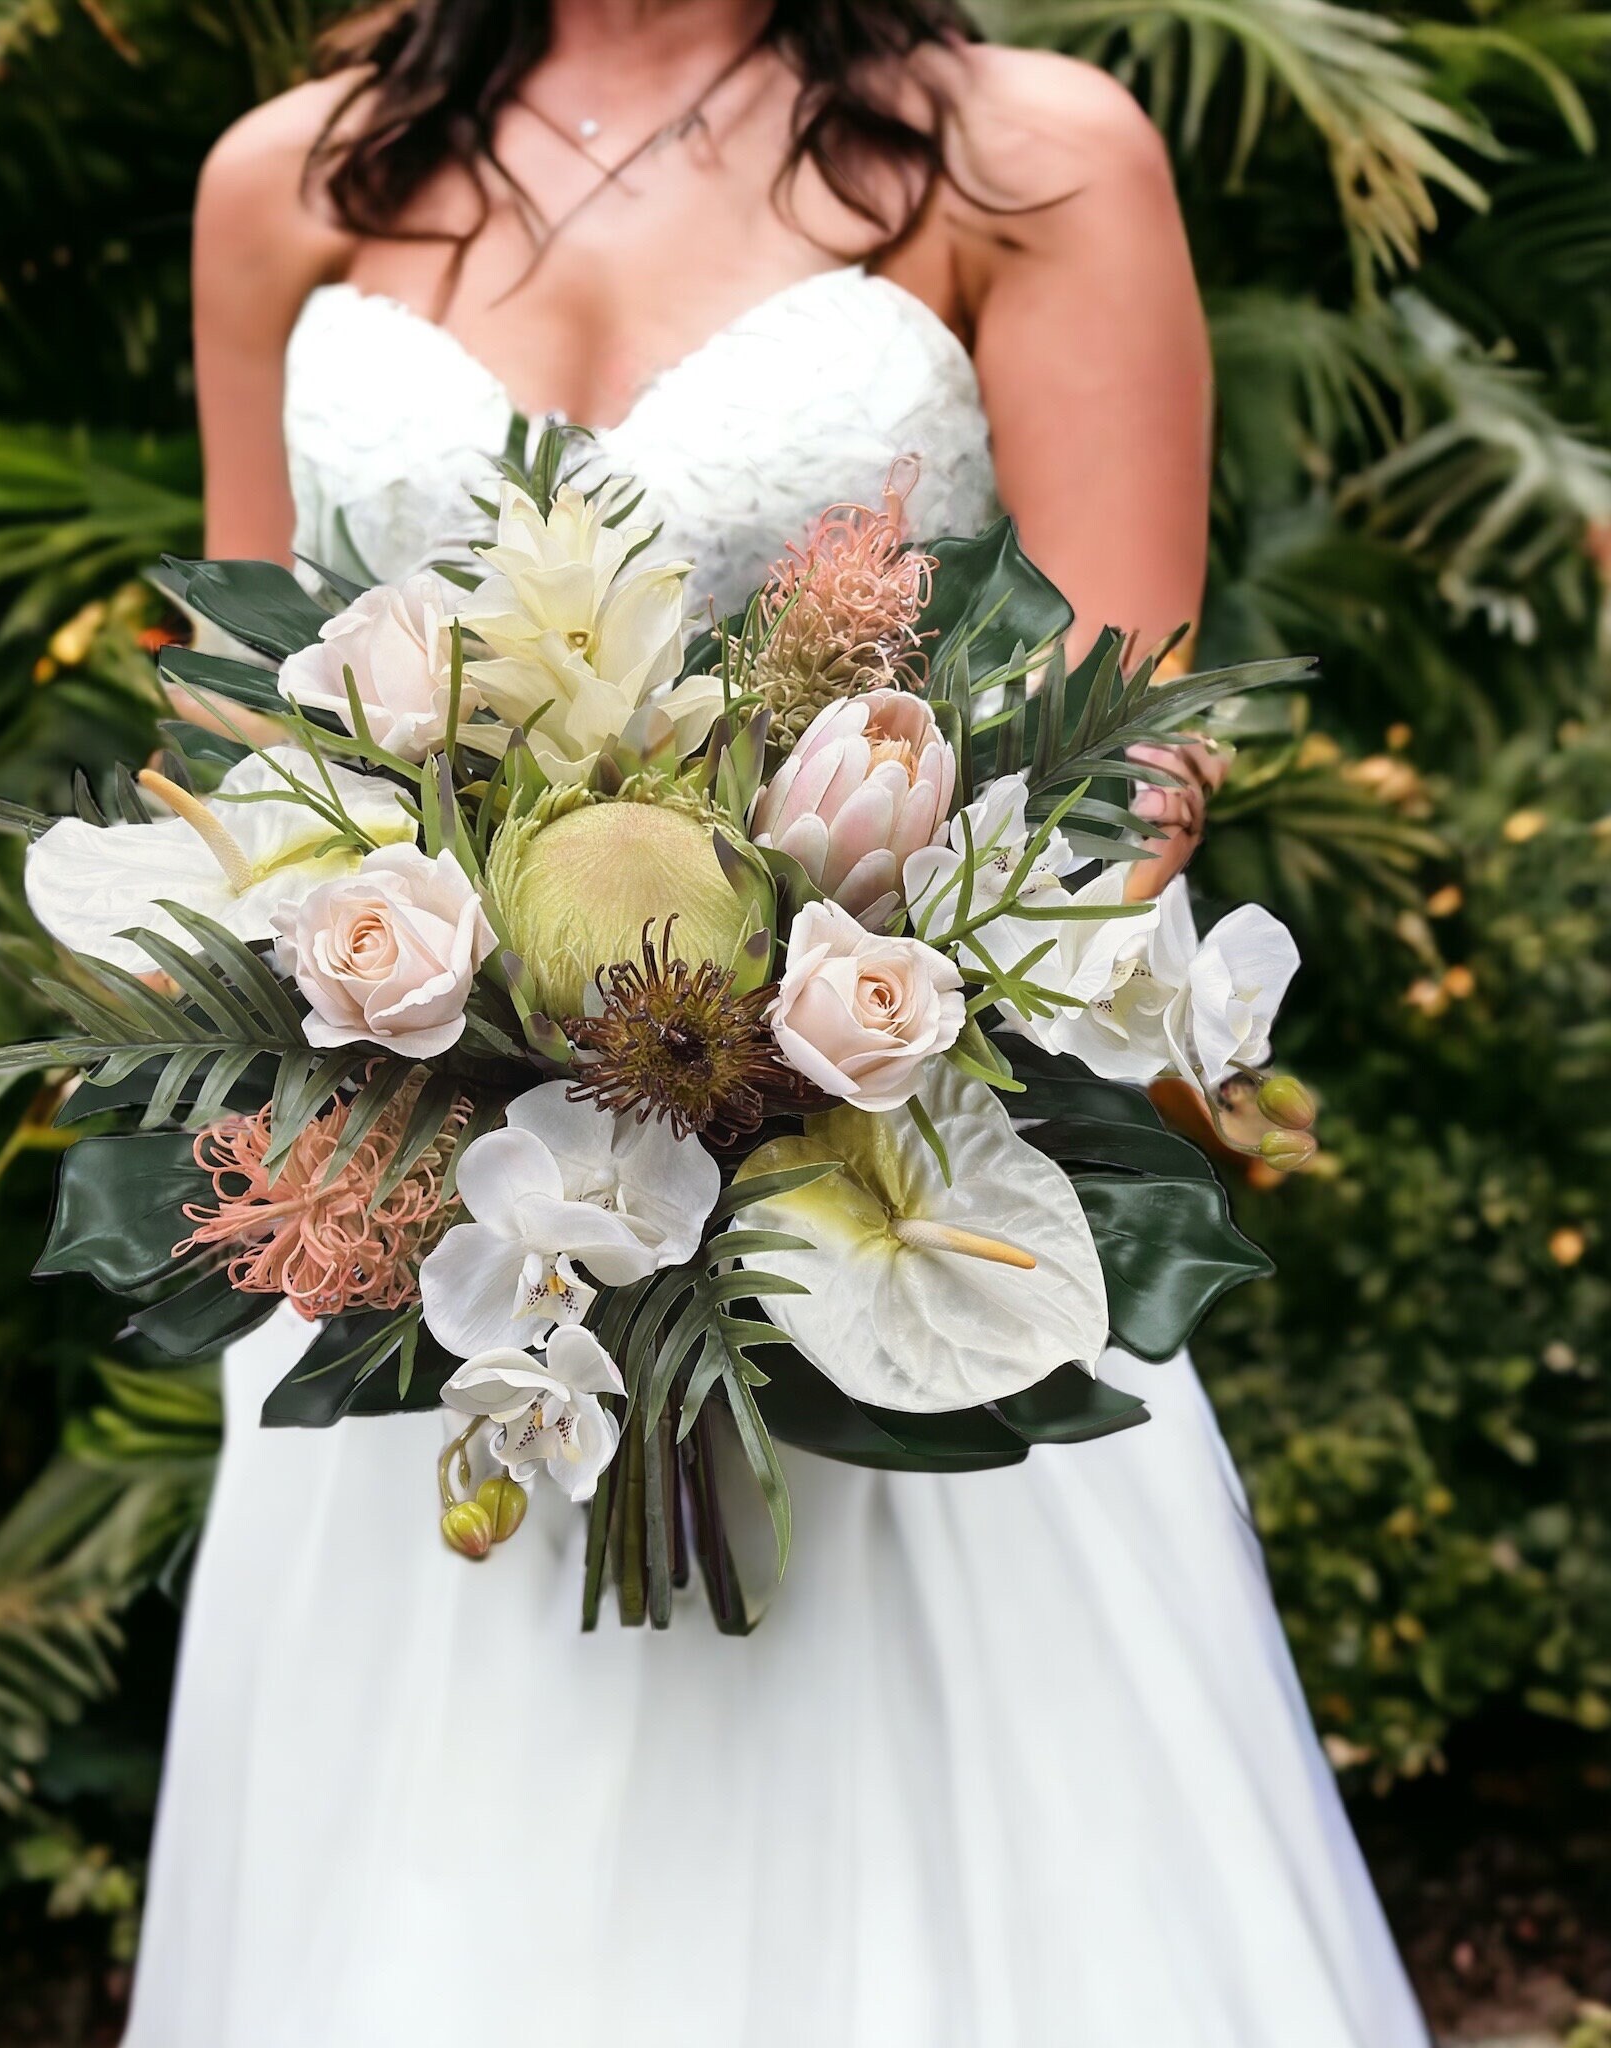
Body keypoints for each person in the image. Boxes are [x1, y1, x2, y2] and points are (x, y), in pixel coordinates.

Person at [123, 5, 1431, 2044]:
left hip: (887, 1237)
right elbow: (228, 734)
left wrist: (796, 1038)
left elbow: (1129, 774)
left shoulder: (1022, 152)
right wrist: (393, 1040)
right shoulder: (286, 186)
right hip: (447, 1281)